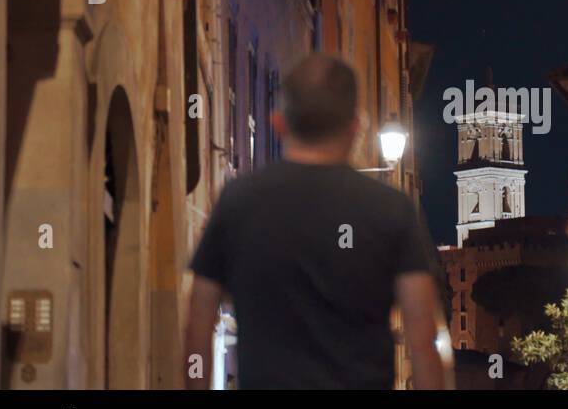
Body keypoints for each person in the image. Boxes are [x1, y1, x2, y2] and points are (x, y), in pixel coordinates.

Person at [184, 54, 445, 389]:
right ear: (356, 127)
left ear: (279, 122)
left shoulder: (237, 202)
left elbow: (198, 325)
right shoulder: (392, 210)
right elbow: (423, 339)